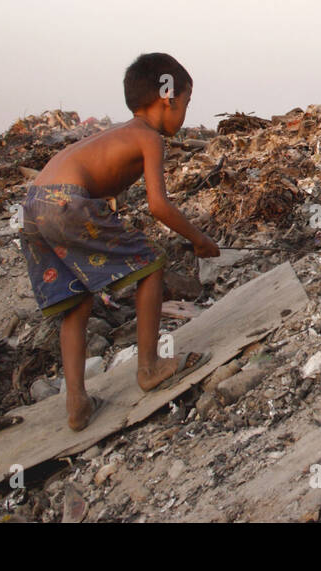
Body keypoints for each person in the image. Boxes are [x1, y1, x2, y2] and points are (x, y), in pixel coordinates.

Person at [18, 53, 219, 430]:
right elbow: (158, 205)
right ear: (168, 98)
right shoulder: (149, 139)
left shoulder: (117, 134)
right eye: (187, 103)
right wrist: (199, 238)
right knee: (151, 264)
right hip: (66, 201)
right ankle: (150, 367)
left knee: (76, 299)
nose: (186, 113)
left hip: (33, 205)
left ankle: (77, 402)